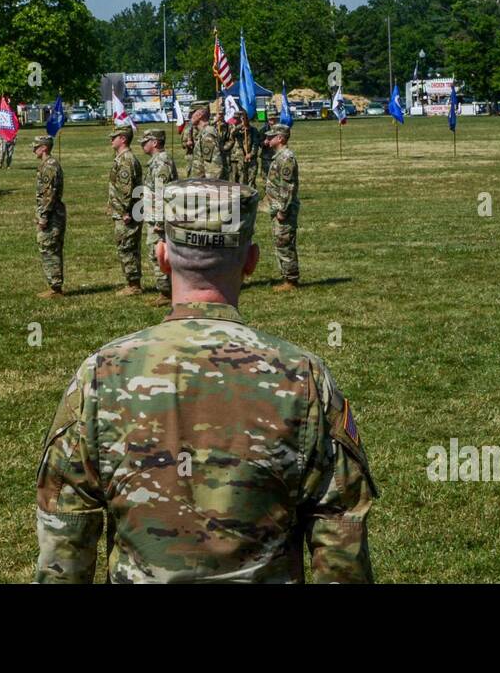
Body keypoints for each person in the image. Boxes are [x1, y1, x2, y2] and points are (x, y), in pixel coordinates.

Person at [34, 178, 376, 583]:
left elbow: (65, 542)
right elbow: (340, 544)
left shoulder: (101, 375)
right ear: (251, 261)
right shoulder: (303, 379)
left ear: (162, 257)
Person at [140, 128, 178, 306]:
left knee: (159, 254)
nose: (142, 144)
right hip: (154, 215)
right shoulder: (156, 162)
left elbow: (163, 194)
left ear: (154, 143)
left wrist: (160, 222)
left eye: (145, 141)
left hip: (160, 219)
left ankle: (167, 292)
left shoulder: (161, 163)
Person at [107, 125, 143, 295]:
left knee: (127, 246)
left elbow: (126, 190)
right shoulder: (122, 158)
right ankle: (132, 282)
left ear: (123, 139)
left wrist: (124, 212)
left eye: (114, 137)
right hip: (125, 210)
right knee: (126, 245)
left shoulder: (125, 160)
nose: (111, 140)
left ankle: (133, 284)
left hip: (127, 213)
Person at [264, 124, 300, 291]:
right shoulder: (279, 156)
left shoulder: (286, 158)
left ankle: (291, 280)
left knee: (284, 242)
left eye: (271, 137)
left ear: (280, 138)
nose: (267, 139)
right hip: (277, 207)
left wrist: (282, 210)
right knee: (280, 242)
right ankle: (287, 276)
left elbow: (287, 187)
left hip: (284, 210)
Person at [33, 135, 65, 297]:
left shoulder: (49, 166)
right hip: (51, 212)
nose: (34, 150)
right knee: (49, 248)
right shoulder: (47, 164)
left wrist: (43, 216)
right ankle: (54, 285)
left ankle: (55, 287)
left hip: (52, 214)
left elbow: (49, 194)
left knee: (50, 248)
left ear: (44, 148)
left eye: (36, 146)